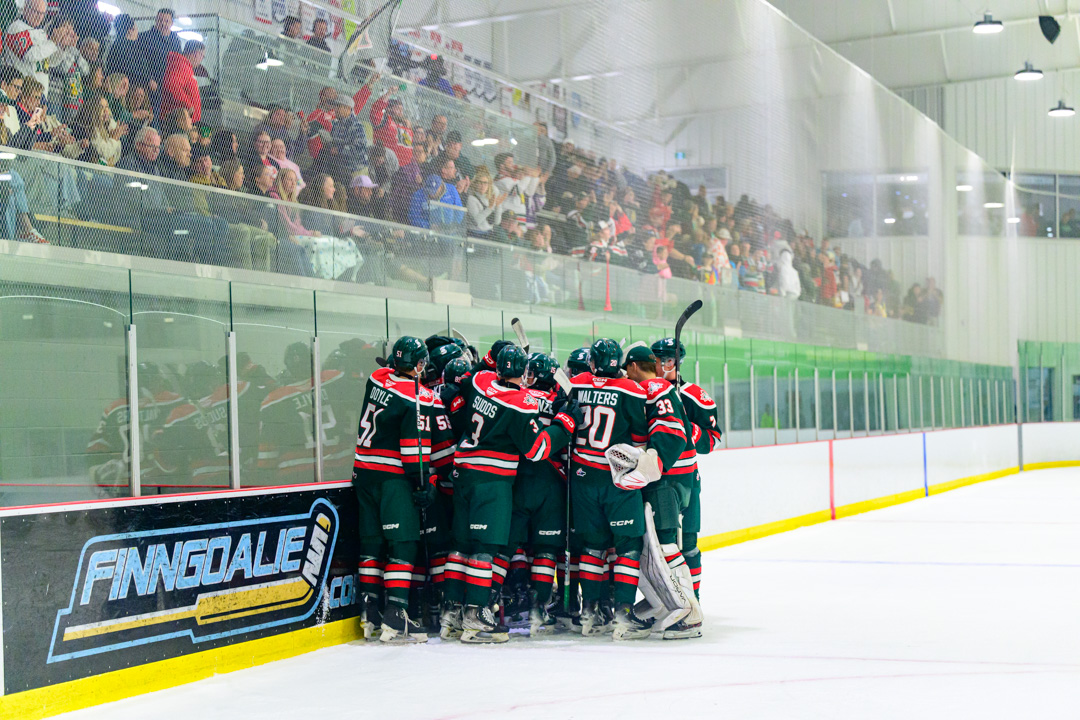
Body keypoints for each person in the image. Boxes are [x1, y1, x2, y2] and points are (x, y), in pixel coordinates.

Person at [440, 344, 580, 643]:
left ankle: (451, 614)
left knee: (460, 546)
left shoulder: (481, 382)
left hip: (462, 472)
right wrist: (564, 424)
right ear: (523, 372)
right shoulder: (520, 402)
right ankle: (476, 617)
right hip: (491, 482)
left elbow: (467, 377)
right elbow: (538, 449)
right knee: (485, 548)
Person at [566, 339, 653, 640]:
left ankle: (589, 612)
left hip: (581, 477)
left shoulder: (575, 384)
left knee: (592, 547)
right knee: (628, 547)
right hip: (617, 479)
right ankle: (623, 615)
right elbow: (641, 440)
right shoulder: (631, 389)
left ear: (592, 361)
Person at [352, 336, 433, 643]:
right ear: (419, 364)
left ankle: (369, 611)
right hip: (392, 478)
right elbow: (414, 450)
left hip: (363, 474)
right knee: (403, 544)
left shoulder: (376, 378)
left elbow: (388, 374)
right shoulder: (418, 396)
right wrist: (422, 484)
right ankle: (396, 614)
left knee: (372, 545)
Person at [623, 344, 702, 639]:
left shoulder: (654, 387)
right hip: (672, 478)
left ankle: (691, 613)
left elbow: (672, 434)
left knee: (666, 546)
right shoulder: (656, 388)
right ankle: (665, 603)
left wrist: (650, 464)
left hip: (668, 480)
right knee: (654, 546)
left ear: (633, 367)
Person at [4, 0, 74, 96]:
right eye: (36, 12)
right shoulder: (16, 27)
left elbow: (51, 62)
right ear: (26, 9)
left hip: (41, 94)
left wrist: (62, 47)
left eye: (42, 13)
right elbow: (30, 55)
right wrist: (53, 42)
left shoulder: (41, 32)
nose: (39, 17)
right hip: (23, 92)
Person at [135, 8, 181, 97]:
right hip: (150, 86)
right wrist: (148, 79)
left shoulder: (175, 40)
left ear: (172, 23)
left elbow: (179, 62)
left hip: (170, 88)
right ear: (156, 20)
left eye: (166, 21)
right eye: (160, 20)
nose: (163, 23)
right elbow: (138, 61)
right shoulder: (143, 38)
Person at [160, 39, 204, 124]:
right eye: (202, 56)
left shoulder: (185, 66)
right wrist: (188, 105)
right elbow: (172, 84)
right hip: (179, 121)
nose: (201, 60)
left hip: (186, 120)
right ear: (196, 54)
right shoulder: (181, 65)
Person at [465, 166, 507, 237]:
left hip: (488, 233)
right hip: (474, 233)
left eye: (485, 183)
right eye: (480, 182)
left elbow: (497, 222)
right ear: (475, 183)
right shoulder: (471, 199)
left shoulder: (489, 199)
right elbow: (476, 221)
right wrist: (489, 208)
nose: (483, 185)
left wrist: (498, 206)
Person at [103, 14, 138, 80]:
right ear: (130, 30)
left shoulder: (115, 42)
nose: (137, 32)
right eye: (135, 28)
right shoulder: (125, 47)